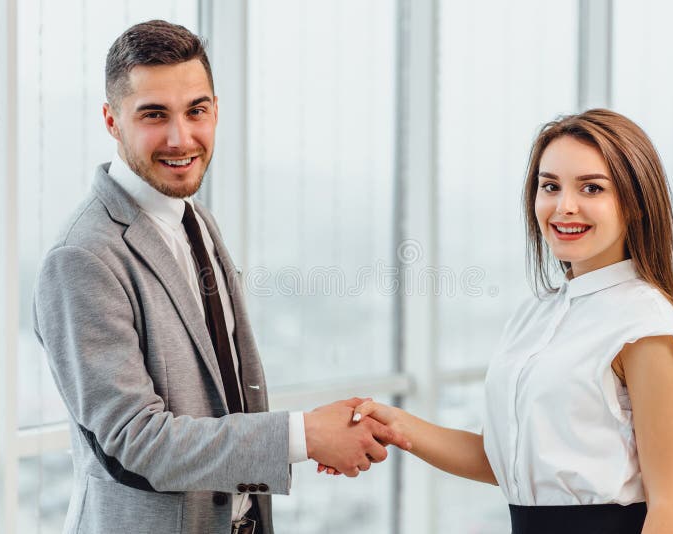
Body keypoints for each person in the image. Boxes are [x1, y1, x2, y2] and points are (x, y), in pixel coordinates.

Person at [32, 20, 409, 534]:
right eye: (153, 115)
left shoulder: (193, 218)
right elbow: (137, 442)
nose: (180, 137)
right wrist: (304, 436)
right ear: (111, 120)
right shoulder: (82, 257)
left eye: (197, 110)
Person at [333, 109, 673, 534]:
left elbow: (671, 504)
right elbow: (500, 461)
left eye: (592, 188)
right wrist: (397, 424)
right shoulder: (536, 315)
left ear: (635, 204)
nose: (565, 207)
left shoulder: (644, 323)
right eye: (550, 186)